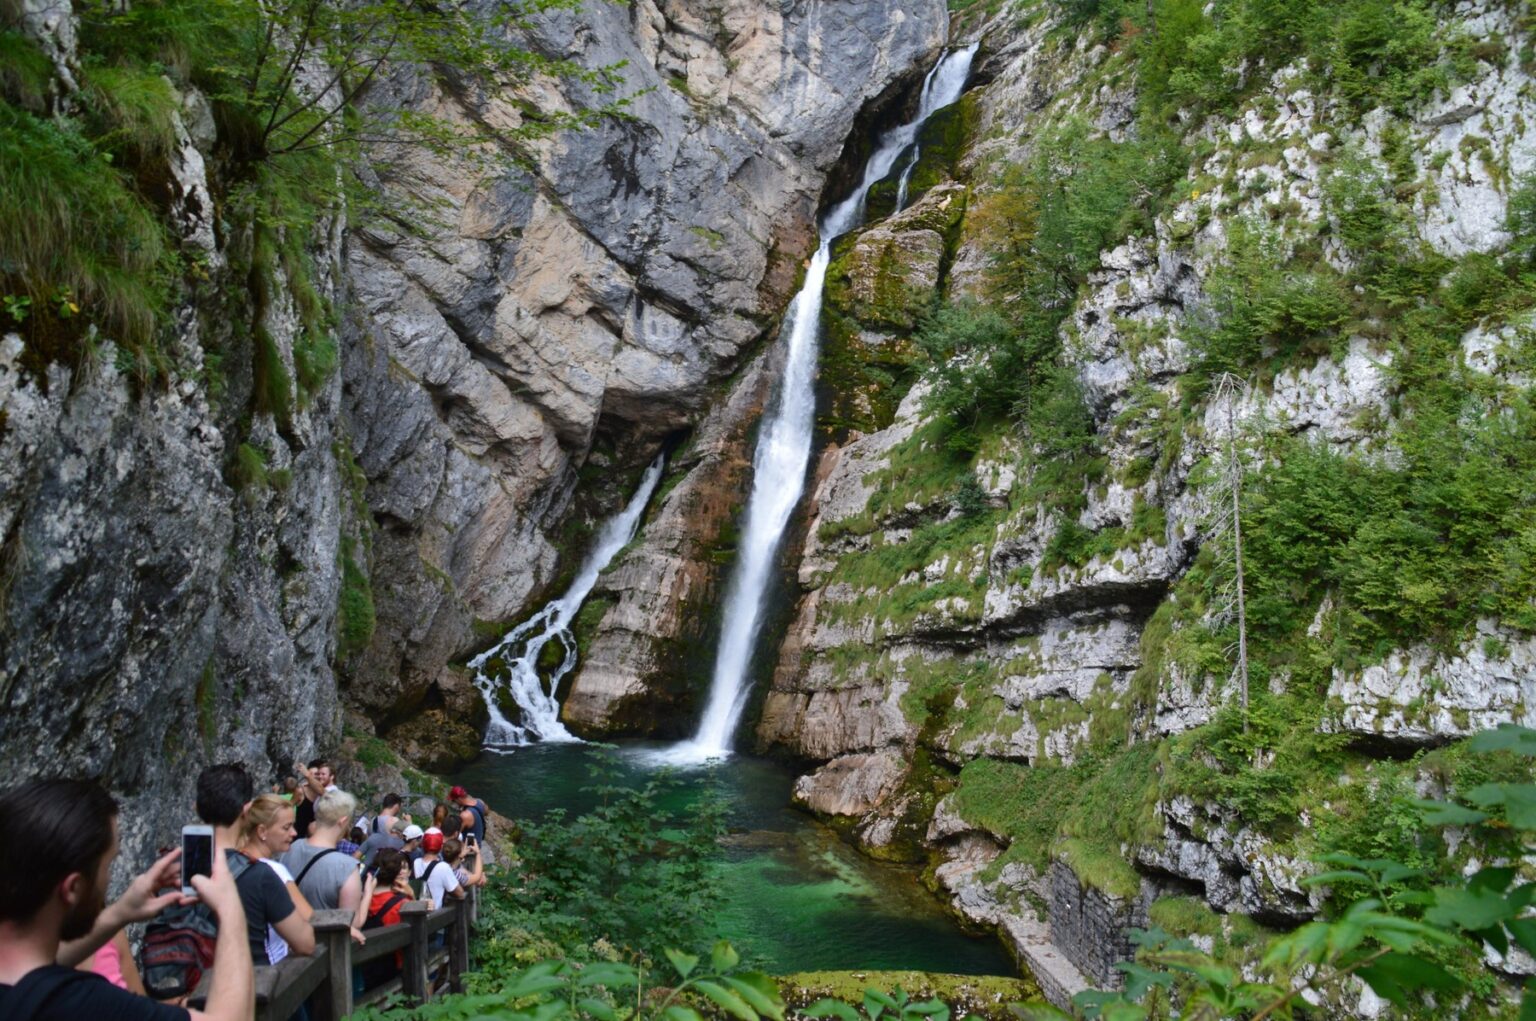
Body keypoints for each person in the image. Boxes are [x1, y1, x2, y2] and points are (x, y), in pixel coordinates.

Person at [0, 778, 254, 1020]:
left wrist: (122, 912)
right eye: (108, 865)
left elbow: (39, 969)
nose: (108, 879)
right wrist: (230, 908)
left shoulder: (24, 986)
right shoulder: (82, 1004)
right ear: (73, 888)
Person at [196, 765, 314, 968]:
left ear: (196, 808)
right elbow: (305, 942)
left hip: (194, 987)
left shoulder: (173, 870)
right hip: (250, 987)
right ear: (246, 810)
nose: (293, 832)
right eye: (287, 827)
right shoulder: (261, 874)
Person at [237, 794, 314, 967]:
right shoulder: (273, 871)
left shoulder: (236, 861)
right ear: (262, 831)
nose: (294, 833)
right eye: (286, 827)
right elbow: (309, 920)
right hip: (272, 970)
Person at [281, 791, 374, 931]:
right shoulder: (346, 867)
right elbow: (353, 924)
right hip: (324, 946)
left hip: (287, 942)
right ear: (342, 821)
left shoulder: (292, 847)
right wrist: (368, 894)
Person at [411, 830, 463, 908]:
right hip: (435, 914)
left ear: (423, 845)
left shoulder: (416, 862)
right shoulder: (443, 867)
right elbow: (459, 893)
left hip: (416, 910)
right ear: (441, 847)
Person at [290, 760, 333, 838]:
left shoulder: (321, 793)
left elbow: (324, 793)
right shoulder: (300, 791)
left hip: (313, 836)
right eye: (312, 774)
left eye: (318, 774)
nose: (317, 777)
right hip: (297, 833)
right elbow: (289, 807)